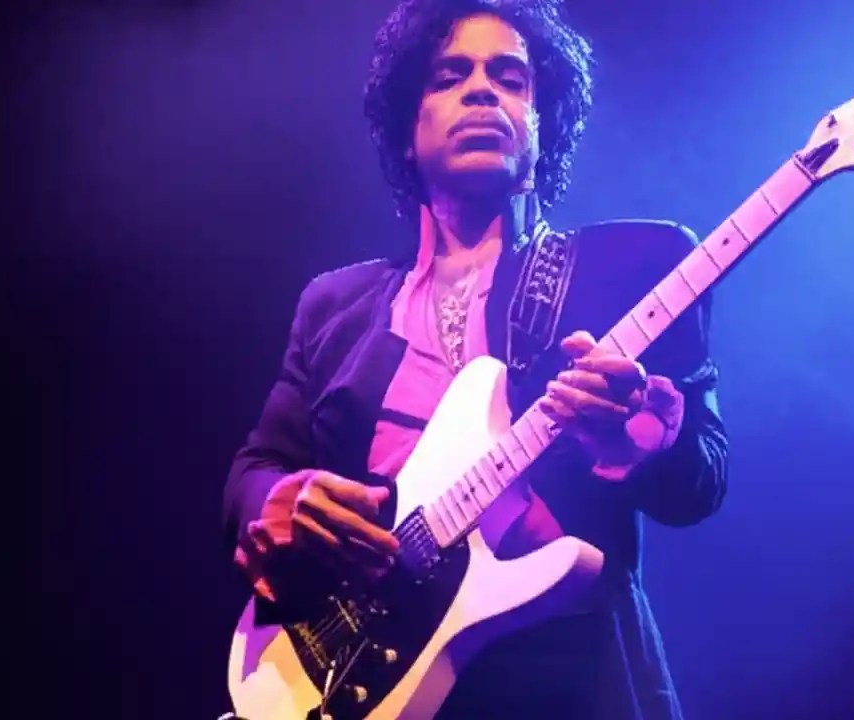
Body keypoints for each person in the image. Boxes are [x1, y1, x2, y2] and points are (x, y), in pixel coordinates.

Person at [222, 1, 728, 717]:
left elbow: (701, 480)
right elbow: (256, 468)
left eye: (512, 78)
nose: (483, 91)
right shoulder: (335, 306)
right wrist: (270, 503)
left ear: (542, 120)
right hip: (364, 676)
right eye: (450, 75)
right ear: (406, 126)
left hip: (567, 679)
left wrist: (647, 444)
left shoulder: (637, 264)